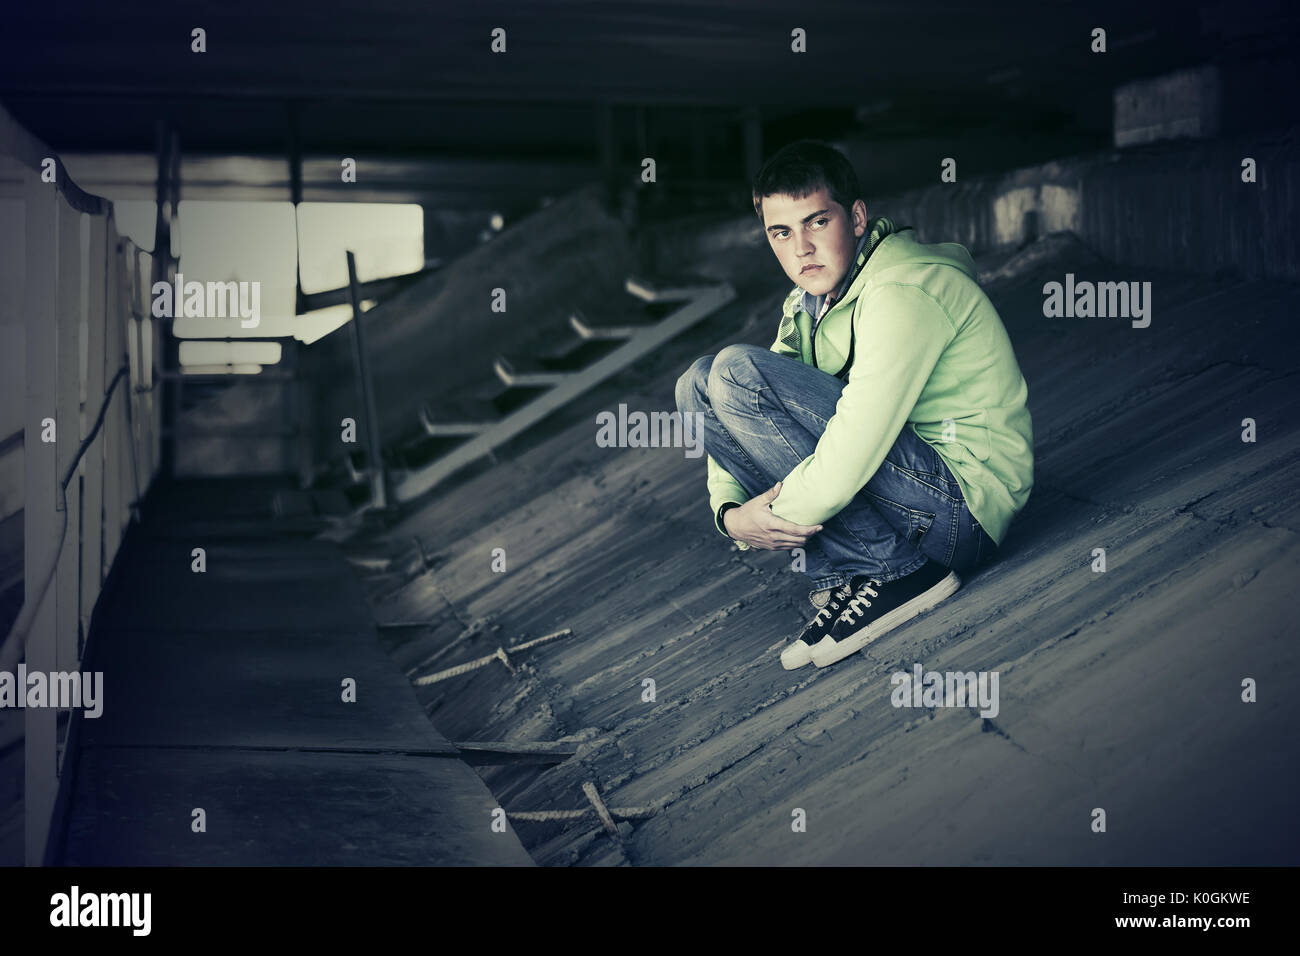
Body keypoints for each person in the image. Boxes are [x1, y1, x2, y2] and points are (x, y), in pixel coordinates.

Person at [674, 139, 1033, 670]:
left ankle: (893, 573)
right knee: (699, 383)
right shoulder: (811, 304)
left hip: (964, 512)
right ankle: (855, 573)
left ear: (857, 217)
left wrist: (772, 516)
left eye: (816, 223)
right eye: (782, 232)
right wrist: (731, 517)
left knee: (735, 371)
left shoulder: (903, 292)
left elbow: (856, 442)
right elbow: (733, 408)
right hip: (910, 496)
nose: (802, 248)